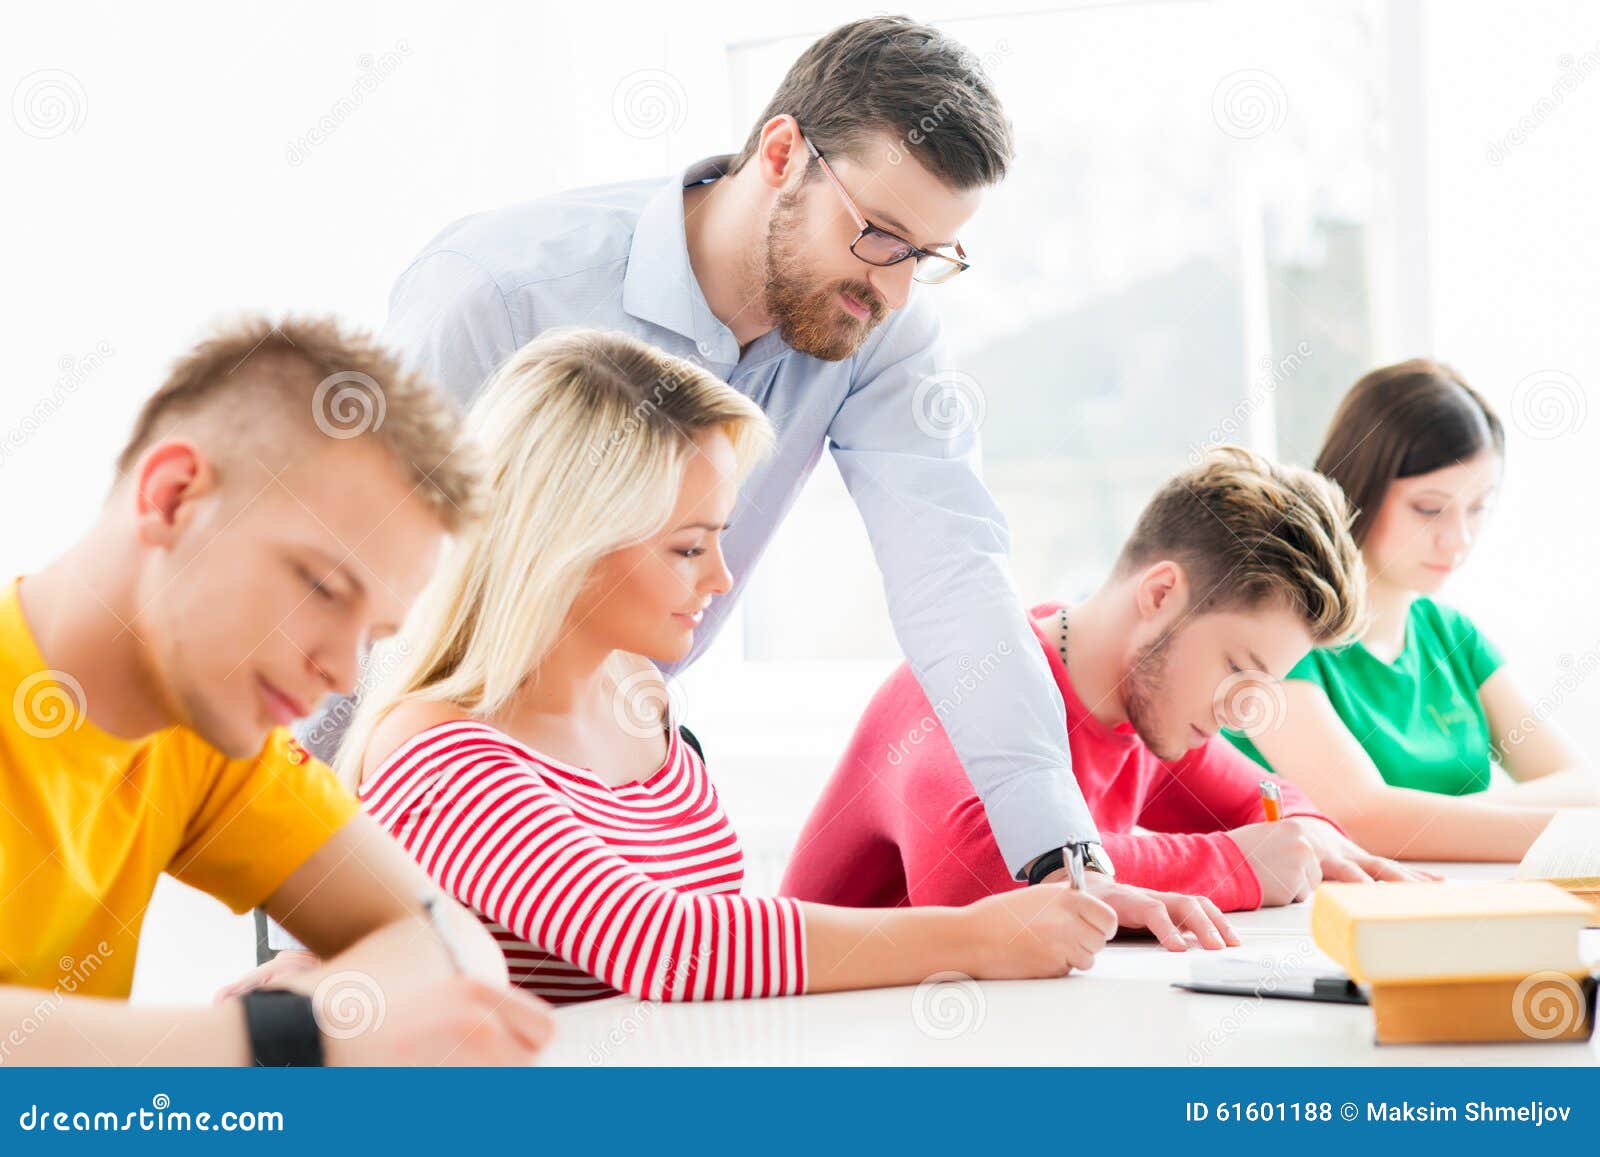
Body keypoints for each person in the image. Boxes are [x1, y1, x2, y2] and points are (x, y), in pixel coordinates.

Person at [326, 14, 1140, 907]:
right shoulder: (494, 294)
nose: (895, 289)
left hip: (624, 776)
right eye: (878, 233)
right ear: (783, 153)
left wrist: (1064, 857)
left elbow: (952, 572)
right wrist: (316, 917)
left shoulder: (878, 323)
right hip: (414, 797)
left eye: (929, 256)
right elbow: (358, 591)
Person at [332, 328, 1119, 1003]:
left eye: (718, 535)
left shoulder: (636, 690)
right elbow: (667, 946)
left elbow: (724, 946)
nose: (719, 577)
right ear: (565, 546)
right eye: (687, 547)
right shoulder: (435, 754)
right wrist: (970, 940)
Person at [0, 316, 553, 1065]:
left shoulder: (205, 734)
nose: (343, 673)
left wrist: (326, 1010)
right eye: (324, 587)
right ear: (172, 497)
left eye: (373, 633)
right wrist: (293, 1034)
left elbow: (450, 945)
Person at [781, 448, 1431, 935]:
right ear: (1159, 595)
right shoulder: (974, 672)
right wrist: (1232, 864)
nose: (1240, 711)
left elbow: (1264, 799)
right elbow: (983, 875)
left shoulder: (1147, 710)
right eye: (1237, 666)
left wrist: (1309, 834)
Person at [1228, 360, 1600, 859]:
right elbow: (1361, 819)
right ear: (1357, 488)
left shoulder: (1449, 634)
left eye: (1477, 508)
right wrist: (1551, 830)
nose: (1458, 539)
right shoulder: (1284, 637)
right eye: (1429, 509)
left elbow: (1582, 782)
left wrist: (1447, 820)